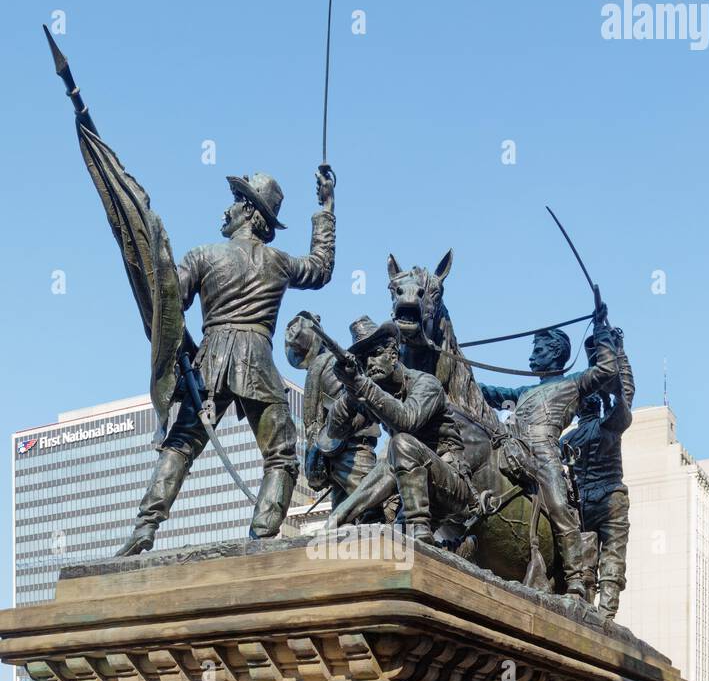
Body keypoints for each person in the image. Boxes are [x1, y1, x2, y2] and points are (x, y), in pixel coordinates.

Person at [116, 167, 335, 554]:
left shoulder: (202, 255)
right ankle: (262, 536)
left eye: (235, 202)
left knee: (181, 445)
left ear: (251, 211)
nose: (227, 210)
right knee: (282, 454)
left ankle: (145, 527)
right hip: (257, 364)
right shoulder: (279, 262)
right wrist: (326, 209)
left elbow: (167, 301)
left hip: (210, 362)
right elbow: (321, 269)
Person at [478, 297, 621, 595]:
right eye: (533, 349)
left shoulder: (573, 383)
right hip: (513, 448)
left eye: (539, 349)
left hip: (544, 454)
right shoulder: (524, 391)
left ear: (556, 352)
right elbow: (488, 392)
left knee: (558, 508)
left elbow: (607, 370)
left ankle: (576, 580)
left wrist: (600, 328)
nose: (533, 355)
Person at [323, 315, 486, 542]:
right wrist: (350, 393)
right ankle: (445, 546)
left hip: (453, 488)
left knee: (400, 443)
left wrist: (360, 384)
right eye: (363, 359)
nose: (369, 363)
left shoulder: (426, 384)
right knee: (368, 528)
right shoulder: (375, 392)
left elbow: (406, 420)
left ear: (393, 353)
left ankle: (418, 530)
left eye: (376, 353)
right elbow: (335, 432)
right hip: (411, 489)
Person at [561, 330, 635, 619]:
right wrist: (618, 349)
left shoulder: (567, 439)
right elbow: (625, 393)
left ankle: (587, 610)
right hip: (610, 500)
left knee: (584, 560)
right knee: (613, 556)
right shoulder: (610, 426)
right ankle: (605, 616)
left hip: (582, 507)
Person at [285, 310, 379, 509]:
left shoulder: (324, 364)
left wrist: (316, 454)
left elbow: (329, 414)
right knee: (343, 522)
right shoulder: (328, 363)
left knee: (372, 510)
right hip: (341, 453)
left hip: (349, 452)